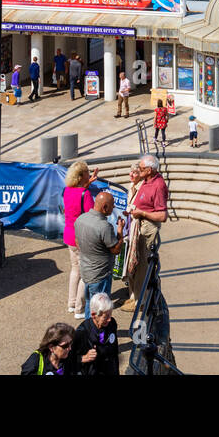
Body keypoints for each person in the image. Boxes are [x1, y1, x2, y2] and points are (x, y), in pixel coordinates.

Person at [75, 191, 127, 317]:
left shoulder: (81, 219)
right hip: (100, 276)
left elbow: (77, 242)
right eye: (112, 205)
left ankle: (89, 332)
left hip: (86, 272)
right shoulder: (104, 226)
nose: (114, 207)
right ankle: (99, 335)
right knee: (100, 312)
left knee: (89, 304)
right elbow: (116, 250)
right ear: (104, 207)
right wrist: (120, 232)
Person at [126, 155, 168, 308]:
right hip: (139, 225)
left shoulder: (158, 186)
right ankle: (136, 297)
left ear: (150, 170)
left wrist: (142, 213)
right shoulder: (146, 180)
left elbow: (163, 216)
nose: (139, 169)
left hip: (148, 229)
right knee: (136, 264)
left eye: (142, 168)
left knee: (143, 266)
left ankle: (141, 301)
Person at [63, 160, 100, 315]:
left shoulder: (66, 190)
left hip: (69, 234)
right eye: (87, 173)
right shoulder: (85, 195)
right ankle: (79, 307)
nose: (89, 174)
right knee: (85, 273)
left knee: (75, 270)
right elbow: (92, 215)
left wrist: (88, 183)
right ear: (80, 176)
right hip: (82, 237)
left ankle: (71, 303)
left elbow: (77, 194)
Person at [71, 292, 120, 375]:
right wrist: (83, 358)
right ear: (94, 315)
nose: (109, 319)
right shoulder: (82, 332)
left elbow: (114, 351)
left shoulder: (112, 324)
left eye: (110, 315)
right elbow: (67, 358)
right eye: (106, 317)